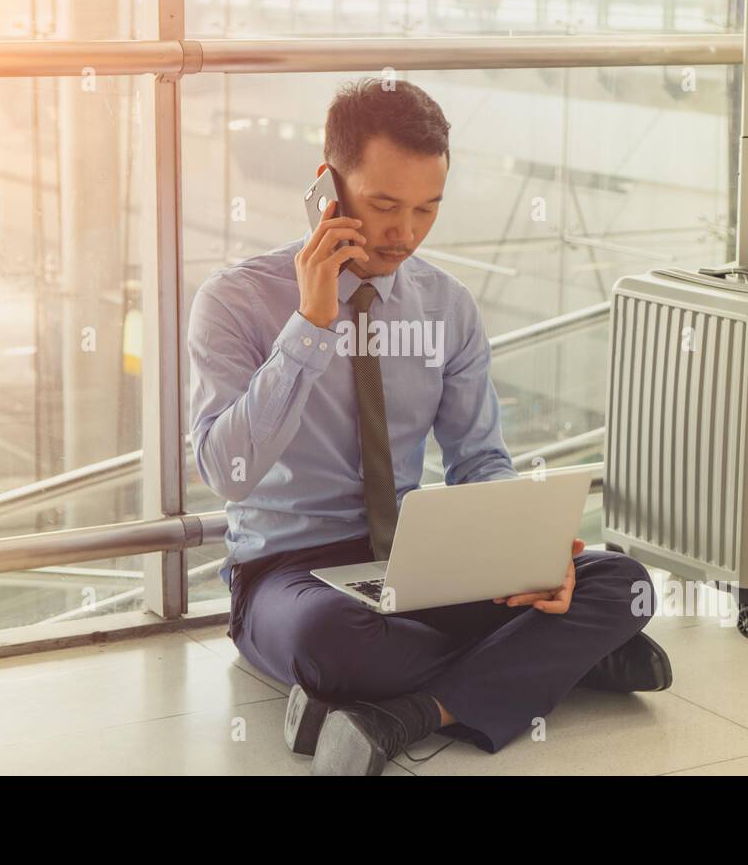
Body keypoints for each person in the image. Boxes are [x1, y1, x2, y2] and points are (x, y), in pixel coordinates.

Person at [187, 78, 670, 776]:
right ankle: (562, 663)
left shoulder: (448, 306)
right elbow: (228, 475)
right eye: (384, 206)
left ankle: (408, 712)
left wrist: (523, 553)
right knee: (334, 641)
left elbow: (480, 461)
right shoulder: (235, 302)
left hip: (417, 566)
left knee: (623, 582)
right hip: (287, 578)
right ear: (328, 188)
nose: (405, 234)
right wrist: (310, 327)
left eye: (426, 209)